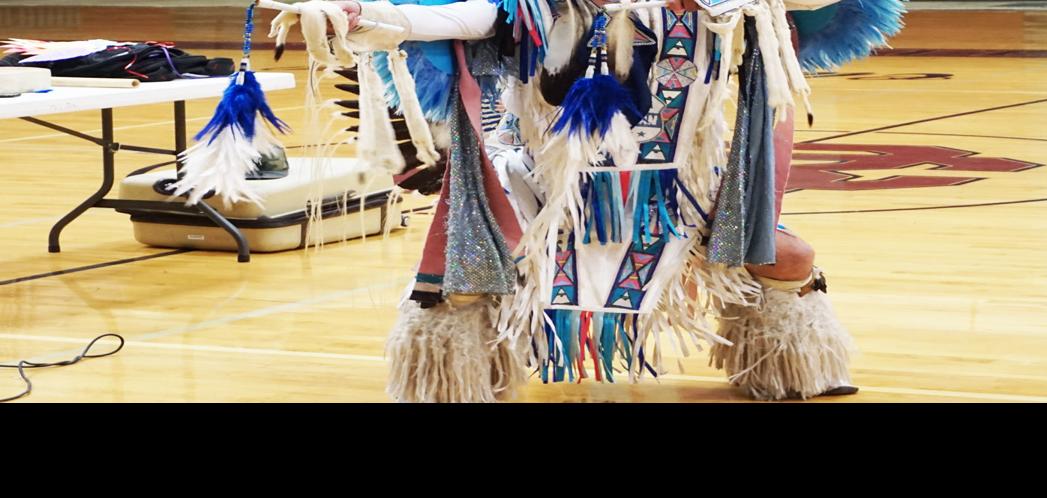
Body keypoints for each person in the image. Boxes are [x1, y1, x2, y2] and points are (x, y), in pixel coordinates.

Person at [274, 0, 902, 401]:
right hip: (547, 190)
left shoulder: (724, 7)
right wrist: (358, 13)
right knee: (464, 278)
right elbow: (449, 20)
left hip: (675, 191)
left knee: (784, 260)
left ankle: (792, 367)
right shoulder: (528, 9)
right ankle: (449, 380)